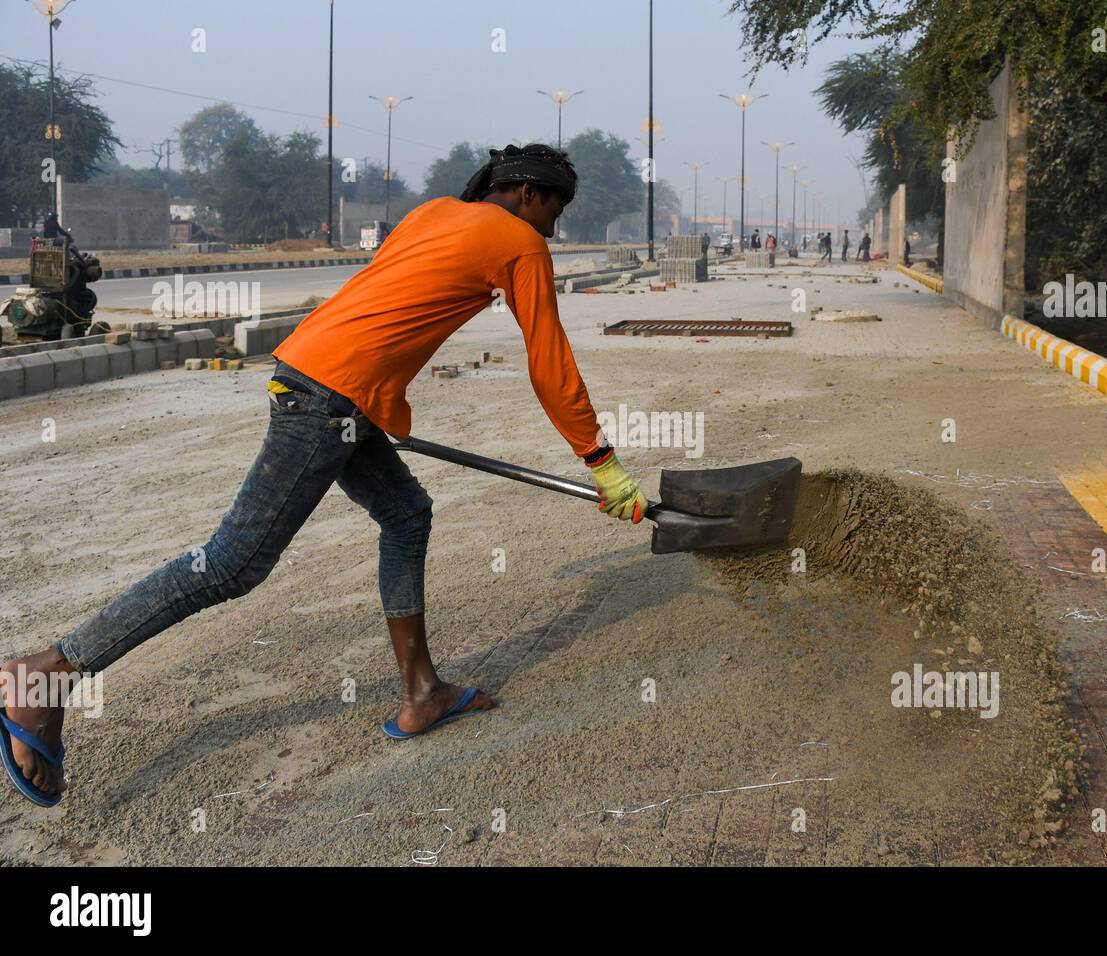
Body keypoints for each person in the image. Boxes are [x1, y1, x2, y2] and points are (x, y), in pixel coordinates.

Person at [0, 144, 650, 807]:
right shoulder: (518, 241)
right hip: (327, 399)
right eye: (555, 213)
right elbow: (550, 363)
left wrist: (379, 404)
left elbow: (388, 302)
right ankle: (51, 671)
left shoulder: (436, 213)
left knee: (405, 513)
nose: (552, 230)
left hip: (323, 382)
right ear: (529, 195)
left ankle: (423, 693)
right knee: (233, 562)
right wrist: (601, 464)